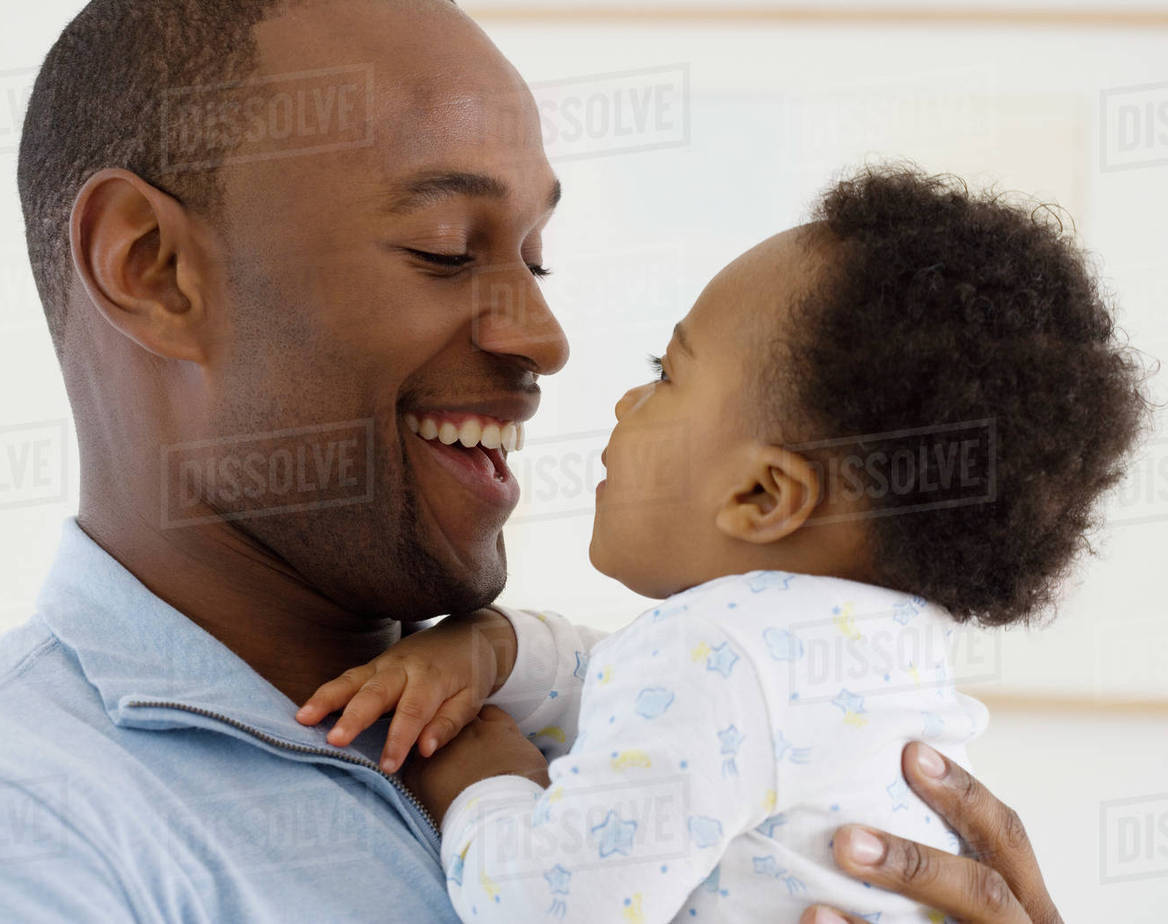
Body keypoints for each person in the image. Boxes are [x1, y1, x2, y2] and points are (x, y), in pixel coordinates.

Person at [0, 0, 1063, 919]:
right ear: (154, 268)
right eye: (446, 252)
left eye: (537, 256)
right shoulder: (23, 828)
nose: (544, 338)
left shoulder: (608, 715)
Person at [298, 168, 1146, 921]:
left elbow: (545, 907)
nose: (629, 401)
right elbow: (631, 690)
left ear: (764, 494)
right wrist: (500, 651)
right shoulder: (878, 655)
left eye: (666, 372)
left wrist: (482, 782)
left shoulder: (716, 652)